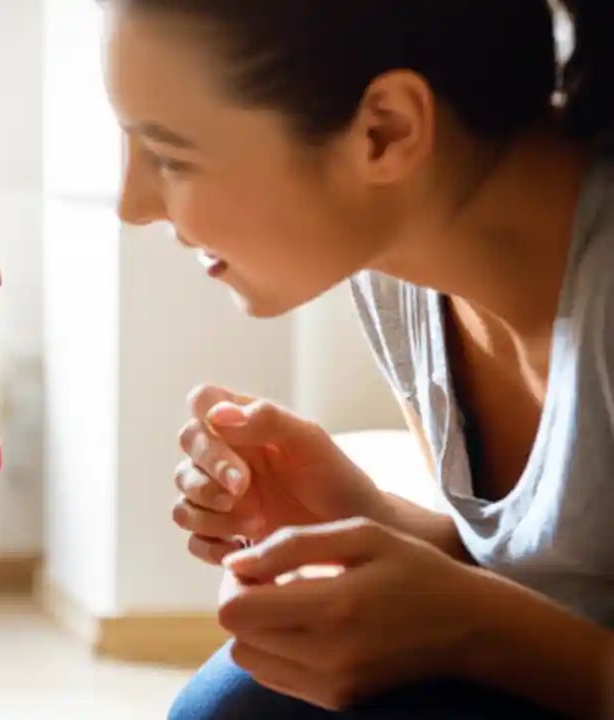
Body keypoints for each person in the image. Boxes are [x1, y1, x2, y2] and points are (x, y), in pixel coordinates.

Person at [101, 1, 614, 717]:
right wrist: (364, 517)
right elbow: (569, 582)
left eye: (170, 156)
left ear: (386, 130)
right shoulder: (399, 270)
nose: (132, 205)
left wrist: (477, 630)